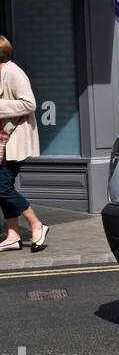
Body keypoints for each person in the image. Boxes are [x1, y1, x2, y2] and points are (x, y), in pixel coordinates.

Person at [0, 36, 49, 252]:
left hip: (13, 140)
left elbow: (30, 103)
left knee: (2, 187)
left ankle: (36, 224)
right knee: (3, 187)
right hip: (3, 141)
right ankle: (13, 234)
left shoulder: (13, 72)